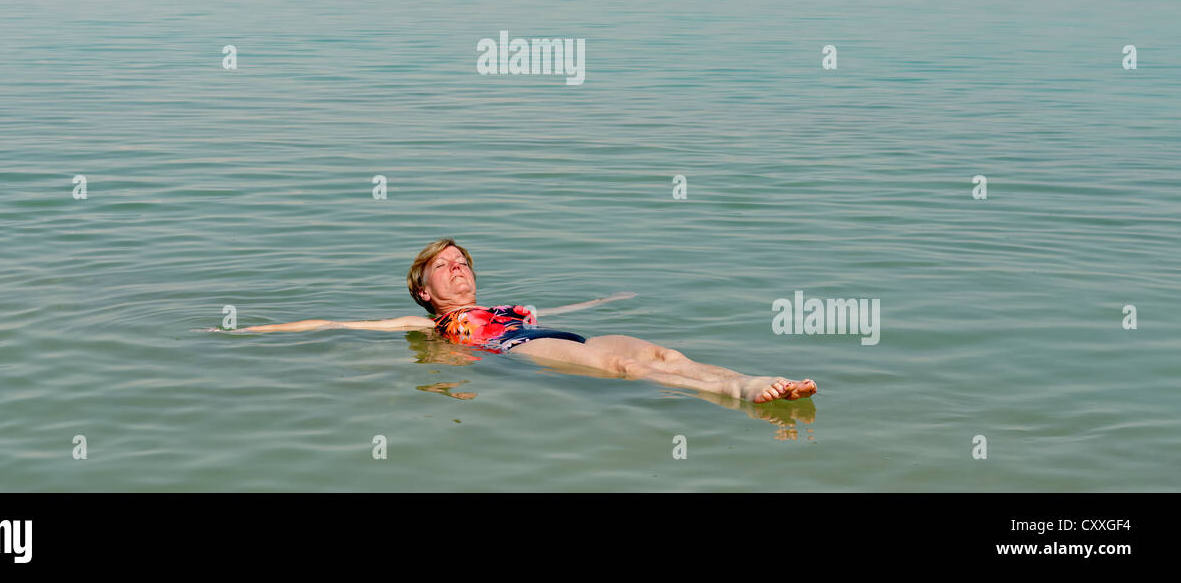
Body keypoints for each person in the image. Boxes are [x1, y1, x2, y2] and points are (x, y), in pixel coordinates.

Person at [242, 238, 818, 404]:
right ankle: (741, 393)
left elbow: (558, 312)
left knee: (662, 355)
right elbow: (337, 324)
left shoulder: (504, 306)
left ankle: (745, 378)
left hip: (555, 333)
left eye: (463, 262)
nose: (458, 270)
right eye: (445, 267)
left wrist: (601, 302)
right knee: (623, 367)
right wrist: (255, 331)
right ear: (424, 290)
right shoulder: (422, 326)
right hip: (518, 351)